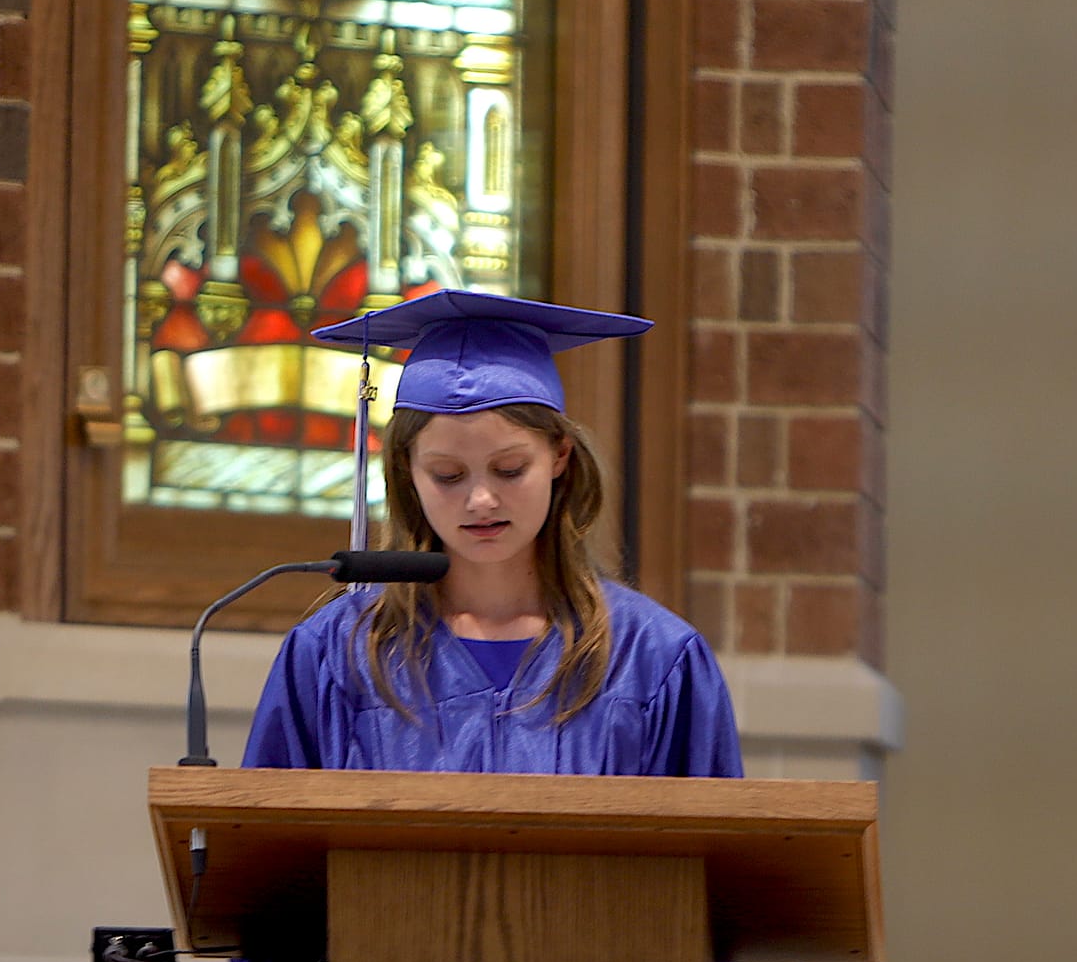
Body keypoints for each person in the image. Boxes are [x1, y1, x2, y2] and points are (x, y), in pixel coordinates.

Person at [241, 290, 743, 779]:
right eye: (448, 475)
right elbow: (267, 845)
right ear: (407, 472)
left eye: (509, 469)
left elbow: (715, 850)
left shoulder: (654, 658)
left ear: (559, 456)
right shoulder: (337, 655)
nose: (481, 500)